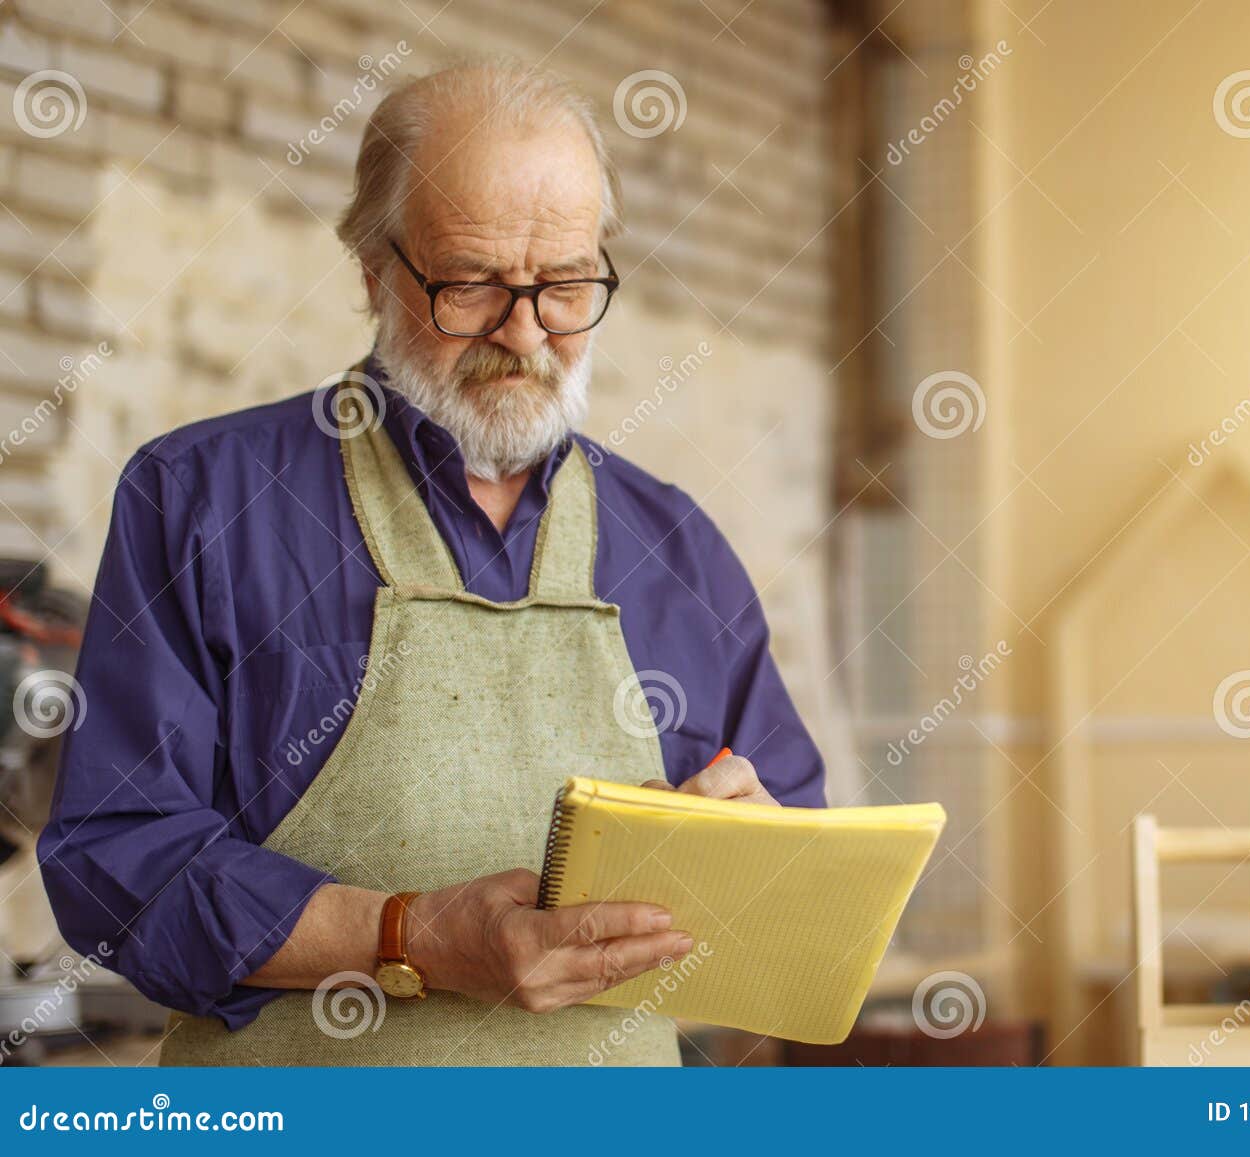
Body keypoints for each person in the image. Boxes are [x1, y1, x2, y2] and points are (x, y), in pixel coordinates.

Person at [37, 59, 824, 1067]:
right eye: (472, 285)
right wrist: (413, 936)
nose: (525, 332)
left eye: (568, 286)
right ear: (374, 266)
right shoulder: (203, 498)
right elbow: (116, 861)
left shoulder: (675, 547)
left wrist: (766, 865)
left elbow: (803, 868)